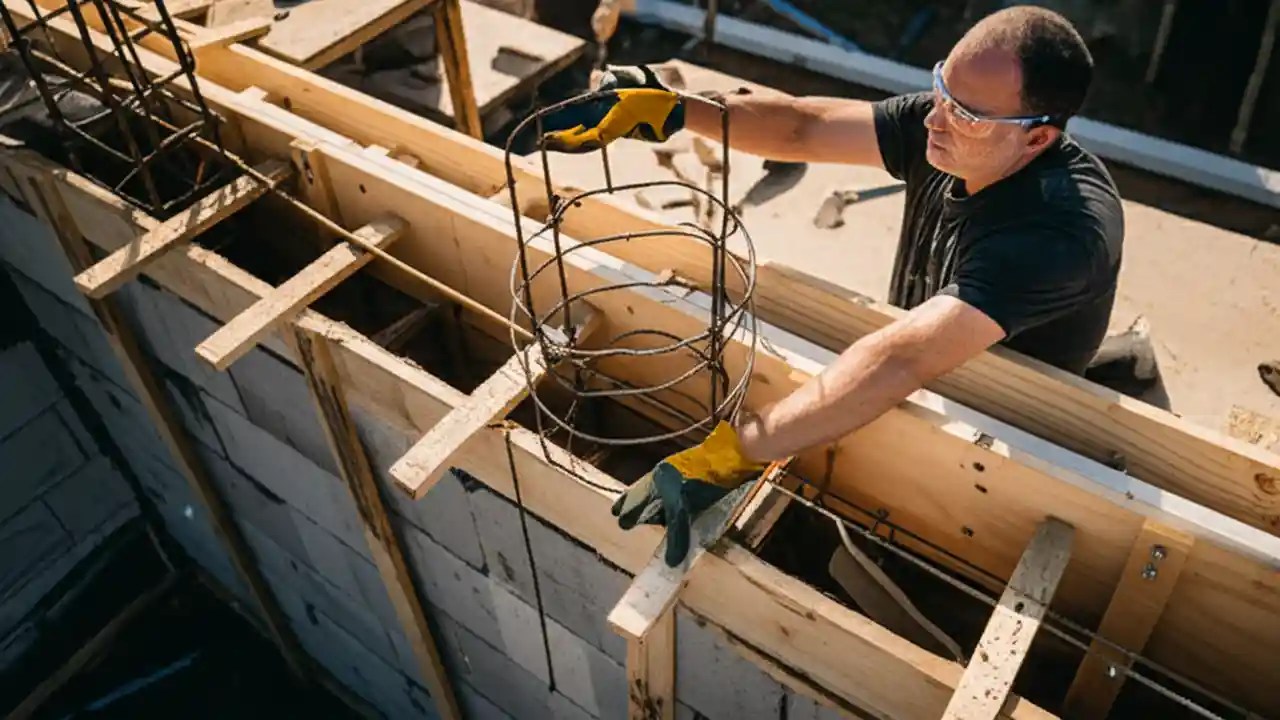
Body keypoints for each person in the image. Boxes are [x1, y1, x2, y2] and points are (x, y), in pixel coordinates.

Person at [541, 6, 1124, 566]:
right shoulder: (954, 126)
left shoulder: (1060, 236)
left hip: (1006, 431)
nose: (932, 118)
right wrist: (676, 109)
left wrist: (732, 456)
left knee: (917, 546)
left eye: (964, 114)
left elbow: (900, 360)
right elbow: (804, 125)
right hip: (926, 359)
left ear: (1037, 139)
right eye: (940, 86)